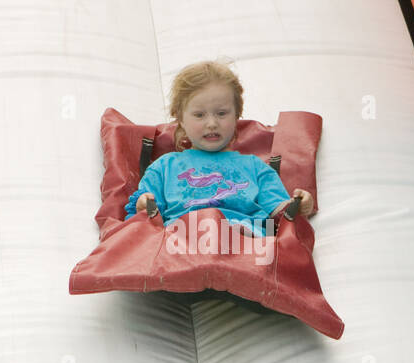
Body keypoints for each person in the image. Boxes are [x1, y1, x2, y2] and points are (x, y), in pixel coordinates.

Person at [125, 60, 314, 237]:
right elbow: (141, 213)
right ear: (180, 119)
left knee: (253, 232)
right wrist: (144, 205)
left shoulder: (255, 167)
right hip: (184, 238)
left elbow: (280, 213)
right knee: (175, 233)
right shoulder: (164, 166)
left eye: (222, 113)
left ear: (237, 115)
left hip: (244, 239)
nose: (212, 123)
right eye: (199, 115)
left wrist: (298, 205)